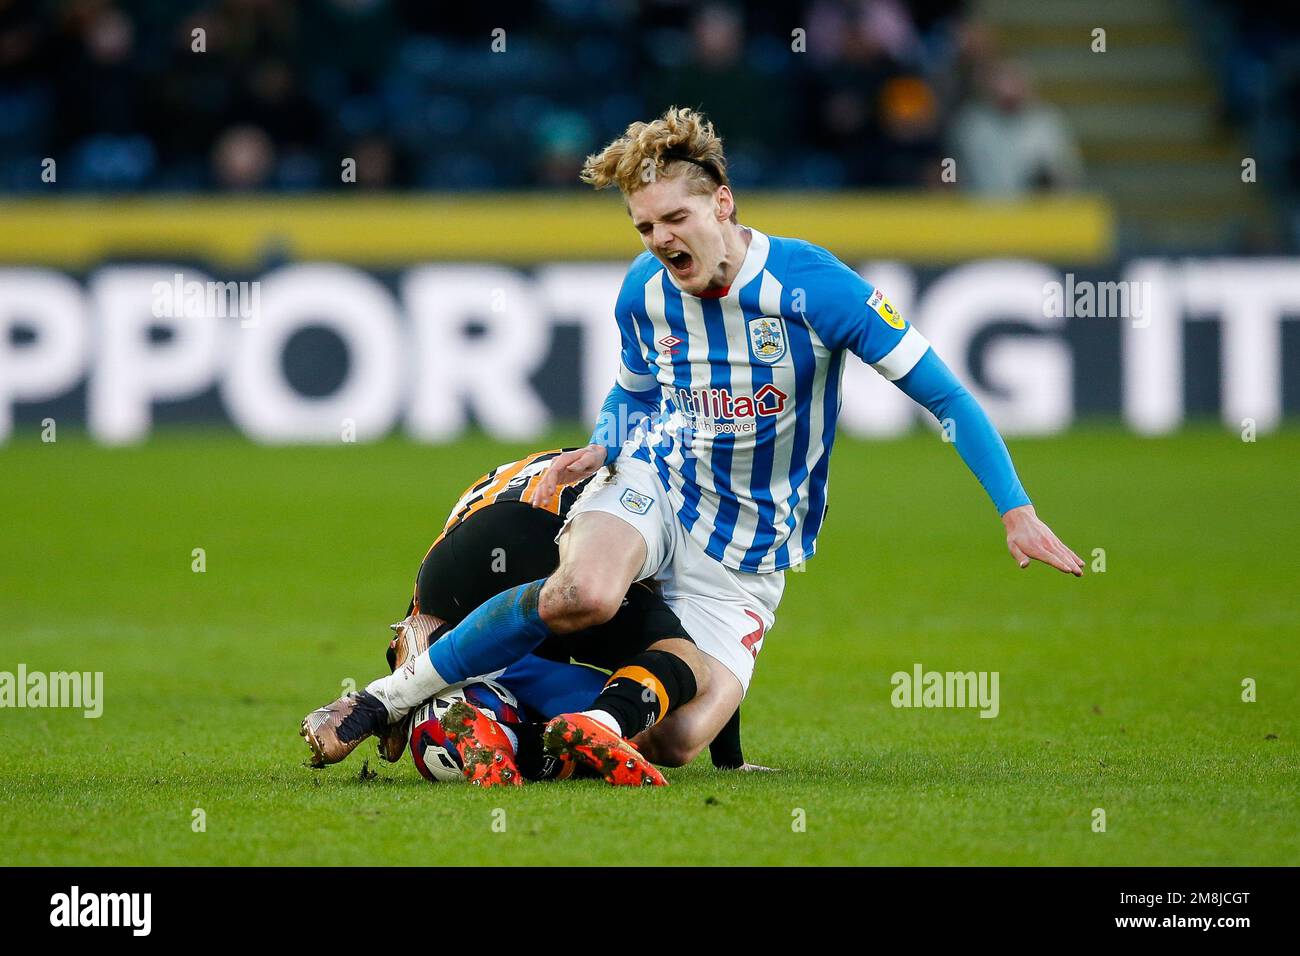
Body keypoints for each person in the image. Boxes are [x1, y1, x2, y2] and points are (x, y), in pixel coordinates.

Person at [343, 106, 1083, 783]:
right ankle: (390, 696)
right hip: (657, 486)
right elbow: (632, 391)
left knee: (683, 737)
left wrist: (1014, 510)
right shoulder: (644, 291)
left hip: (753, 548)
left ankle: (523, 710)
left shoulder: (817, 289)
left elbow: (946, 396)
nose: (661, 239)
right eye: (643, 226)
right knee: (586, 594)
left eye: (674, 216)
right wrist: (607, 443)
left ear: (721, 203)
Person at [301, 449, 757, 786]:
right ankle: (548, 737)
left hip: (452, 564)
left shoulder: (590, 457)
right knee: (673, 672)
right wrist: (728, 757)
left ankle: (443, 702)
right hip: (554, 541)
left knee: (504, 666)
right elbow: (703, 620)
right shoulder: (677, 494)